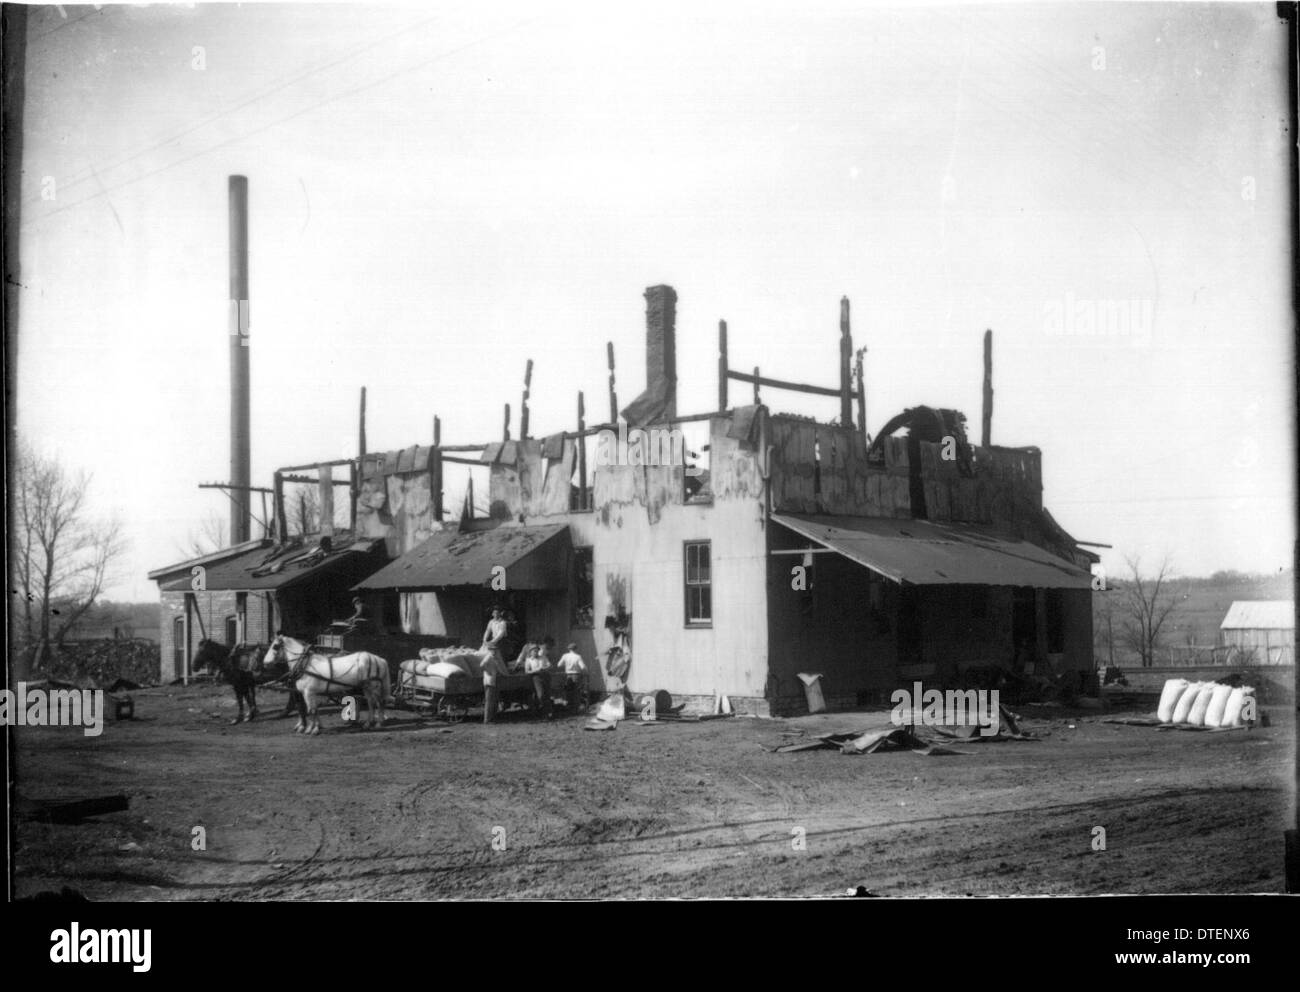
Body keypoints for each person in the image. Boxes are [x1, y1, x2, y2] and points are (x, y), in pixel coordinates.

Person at [481, 608, 509, 723]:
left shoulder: (503, 622)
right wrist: (485, 639)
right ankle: (488, 718)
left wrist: (493, 641)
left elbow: (501, 634)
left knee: (501, 659)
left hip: (500, 641)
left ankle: (504, 671)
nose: (495, 614)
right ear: (492, 614)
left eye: (497, 613)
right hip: (492, 642)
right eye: (494, 613)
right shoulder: (491, 622)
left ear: (500, 614)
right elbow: (488, 630)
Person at [523, 643, 553, 719]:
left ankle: (547, 713)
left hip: (545, 676)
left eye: (537, 651)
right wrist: (536, 670)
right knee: (540, 695)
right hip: (536, 678)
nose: (536, 652)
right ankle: (541, 711)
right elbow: (527, 671)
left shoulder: (543, 657)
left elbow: (550, 665)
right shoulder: (528, 660)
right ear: (530, 652)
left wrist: (545, 667)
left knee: (547, 695)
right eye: (534, 651)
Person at [557, 642, 588, 714]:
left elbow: (559, 665)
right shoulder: (578, 657)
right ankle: (575, 709)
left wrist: (567, 664)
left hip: (568, 675)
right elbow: (583, 667)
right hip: (576, 674)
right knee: (576, 692)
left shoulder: (565, 656)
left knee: (569, 691)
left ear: (569, 649)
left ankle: (569, 708)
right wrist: (586, 671)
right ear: (576, 649)